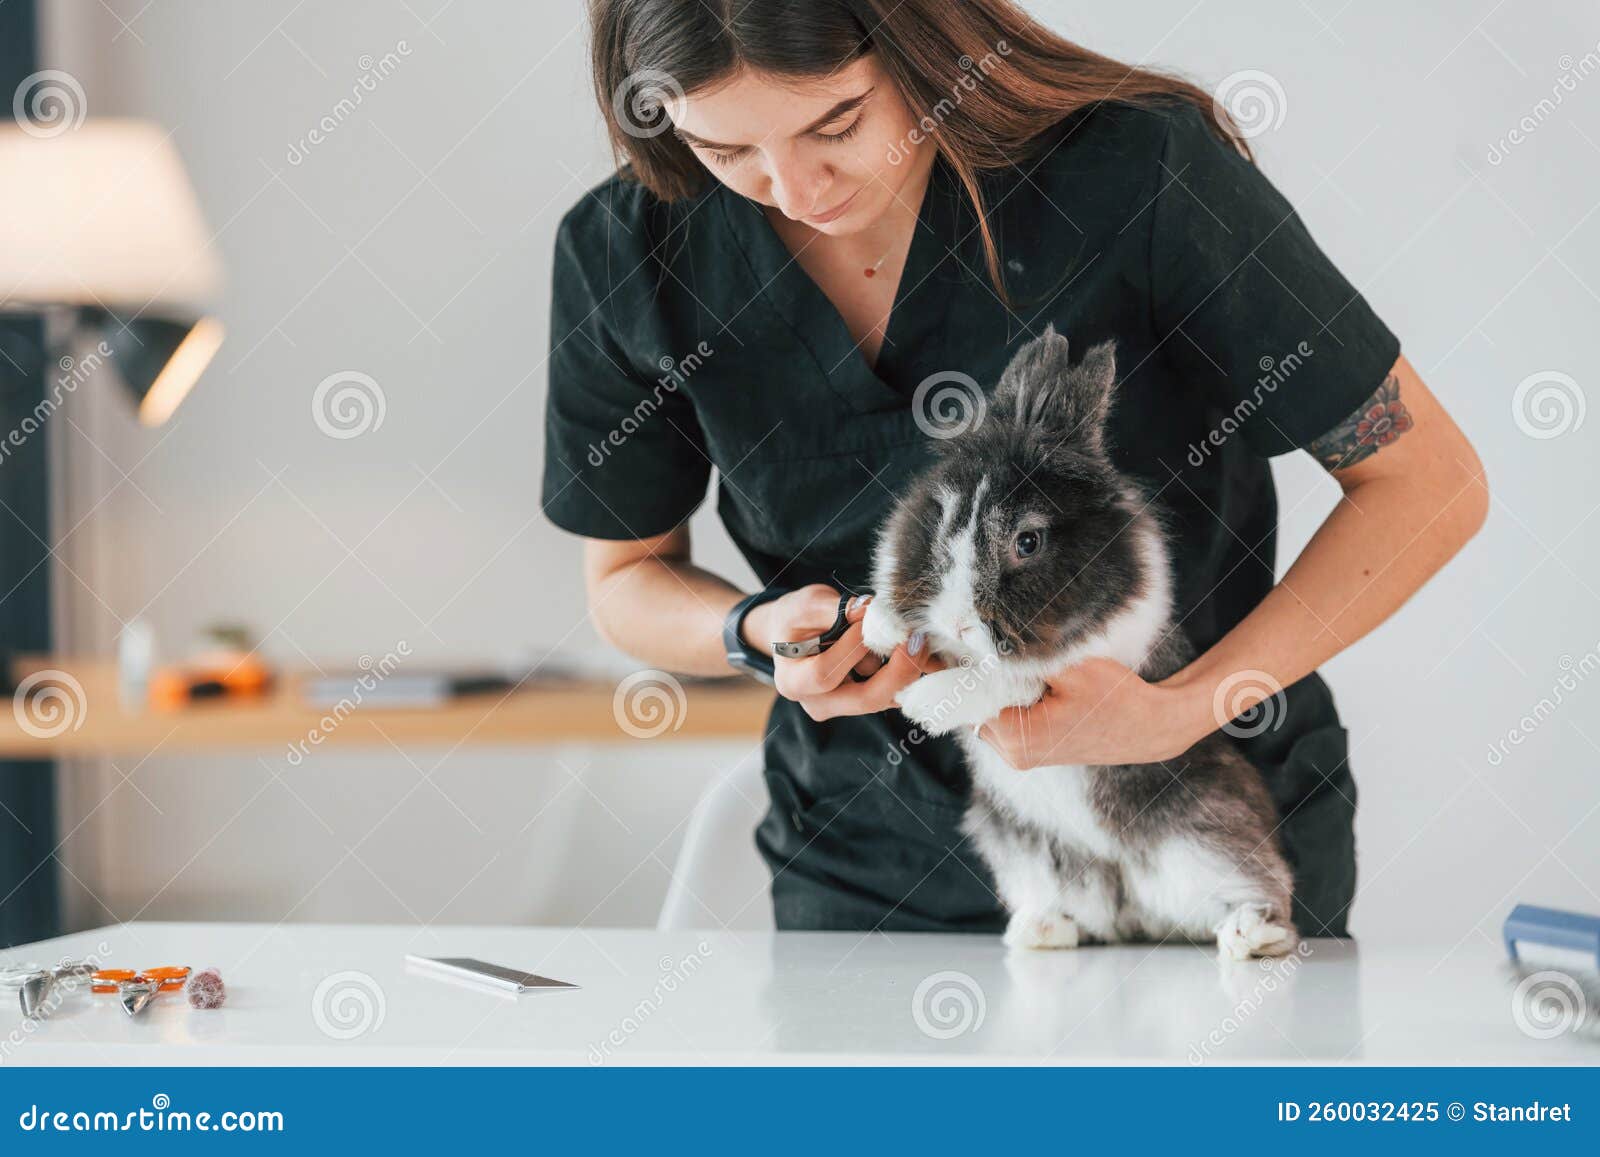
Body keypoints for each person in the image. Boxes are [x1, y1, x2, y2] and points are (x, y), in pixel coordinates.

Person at [541, 0, 1487, 938]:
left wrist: (1180, 711)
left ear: (918, 40)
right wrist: (753, 633)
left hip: (1213, 833)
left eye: (837, 122)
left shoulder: (1139, 172)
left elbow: (1427, 480)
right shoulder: (625, 251)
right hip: (874, 874)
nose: (795, 191)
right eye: (726, 151)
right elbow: (627, 577)